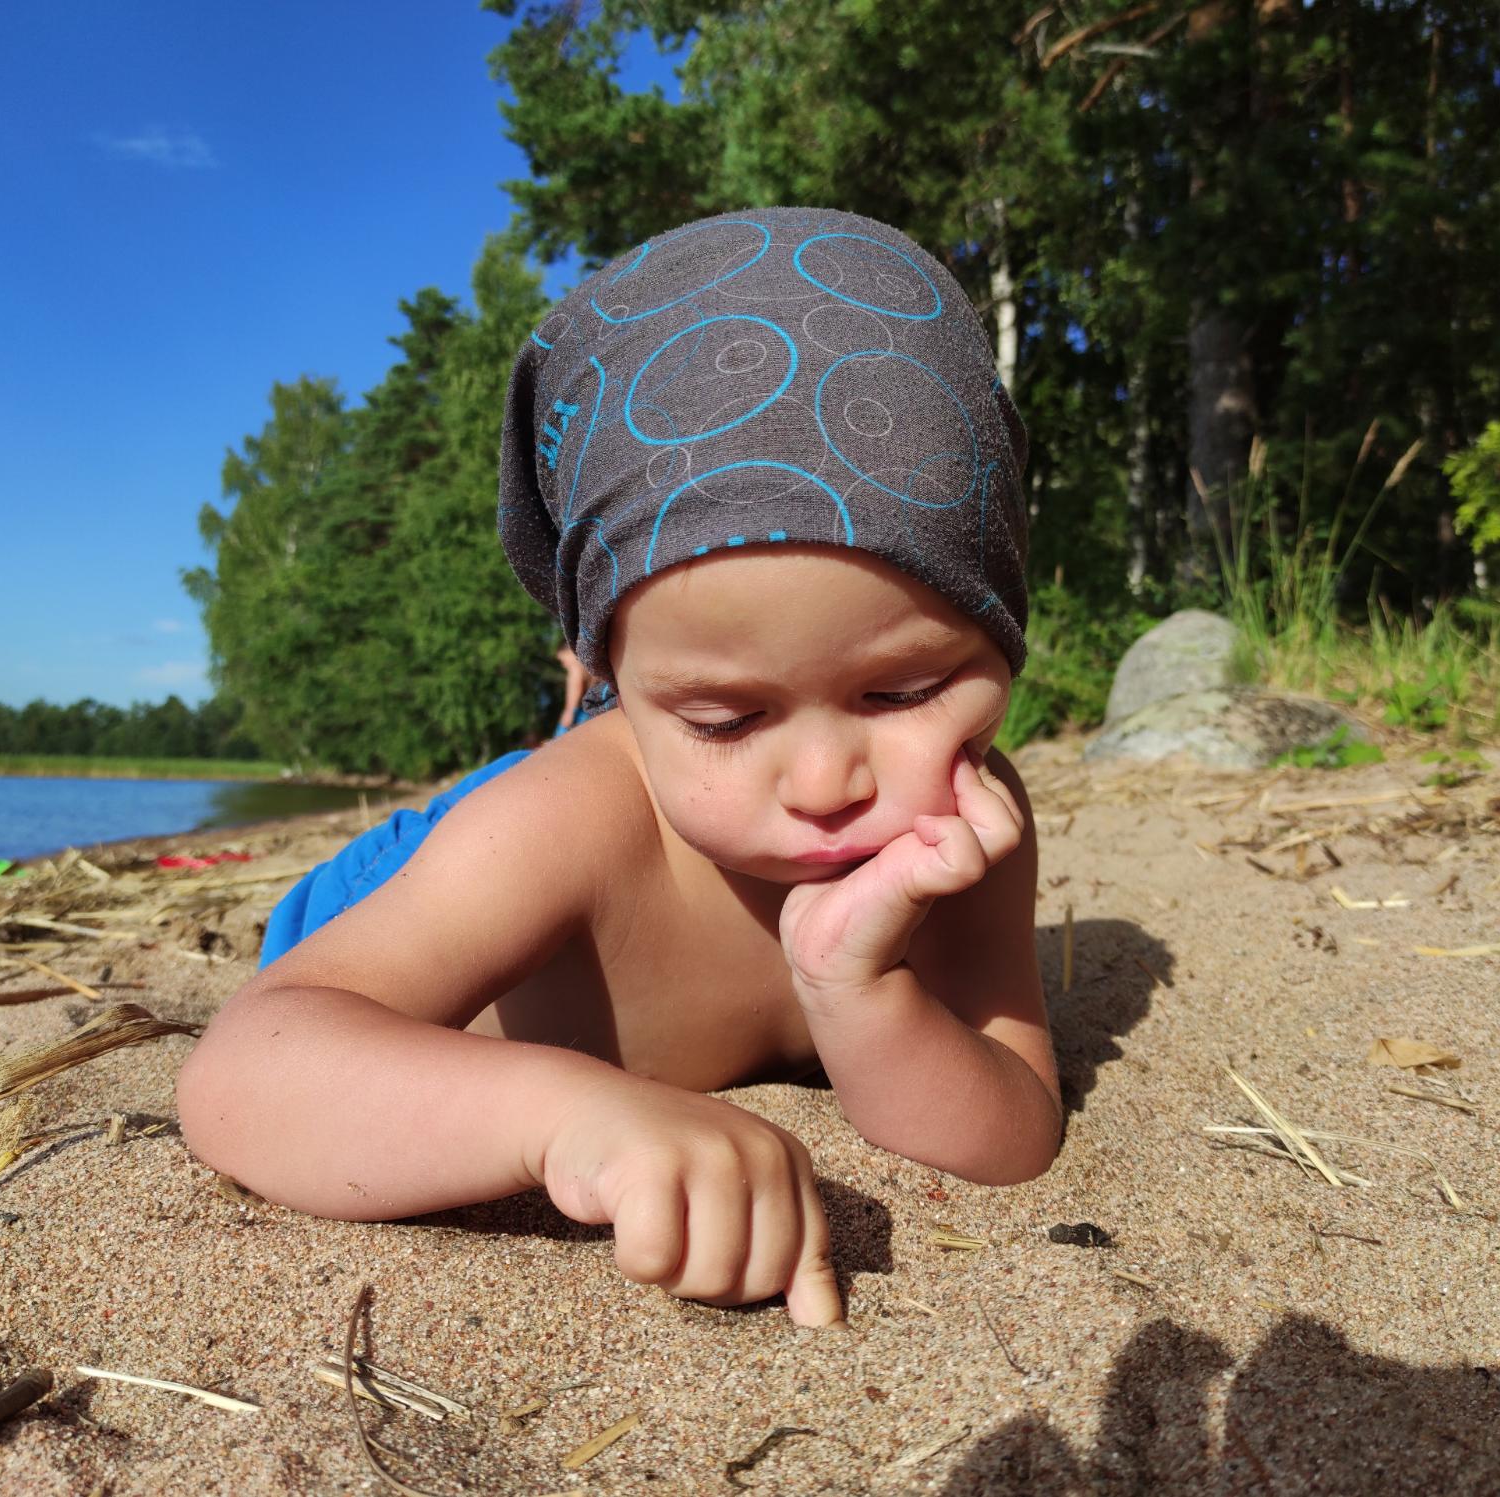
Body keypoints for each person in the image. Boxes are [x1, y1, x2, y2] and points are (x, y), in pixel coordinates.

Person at [177, 207, 1060, 1328]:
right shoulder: (566, 823)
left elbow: (1012, 1131)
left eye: (904, 691)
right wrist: (567, 1119)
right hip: (408, 894)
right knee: (482, 814)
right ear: (627, 686)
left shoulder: (973, 828)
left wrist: (862, 993)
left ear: (999, 632)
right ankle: (561, 724)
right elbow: (244, 1068)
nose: (827, 779)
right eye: (724, 717)